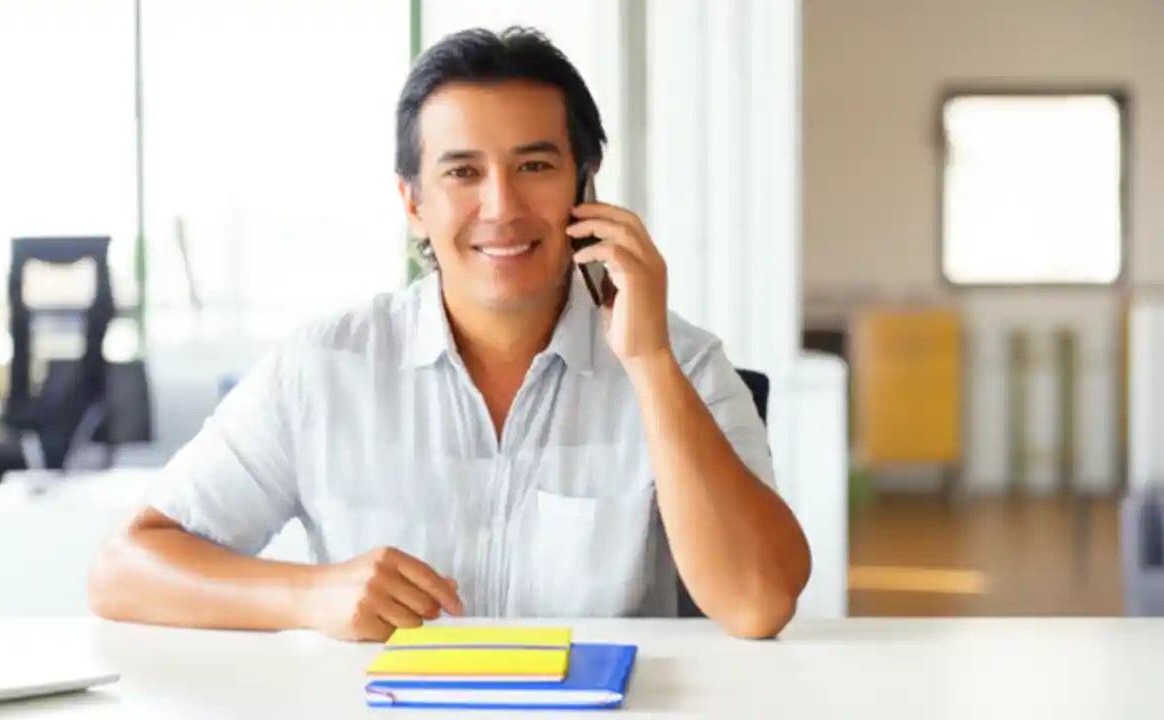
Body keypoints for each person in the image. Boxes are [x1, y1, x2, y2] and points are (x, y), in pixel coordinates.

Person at [89, 26, 810, 641]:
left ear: (584, 186)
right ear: (413, 202)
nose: (501, 206)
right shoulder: (323, 367)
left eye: (535, 166)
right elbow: (123, 570)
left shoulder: (682, 360)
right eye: (463, 171)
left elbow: (758, 603)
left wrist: (649, 363)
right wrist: (308, 597)